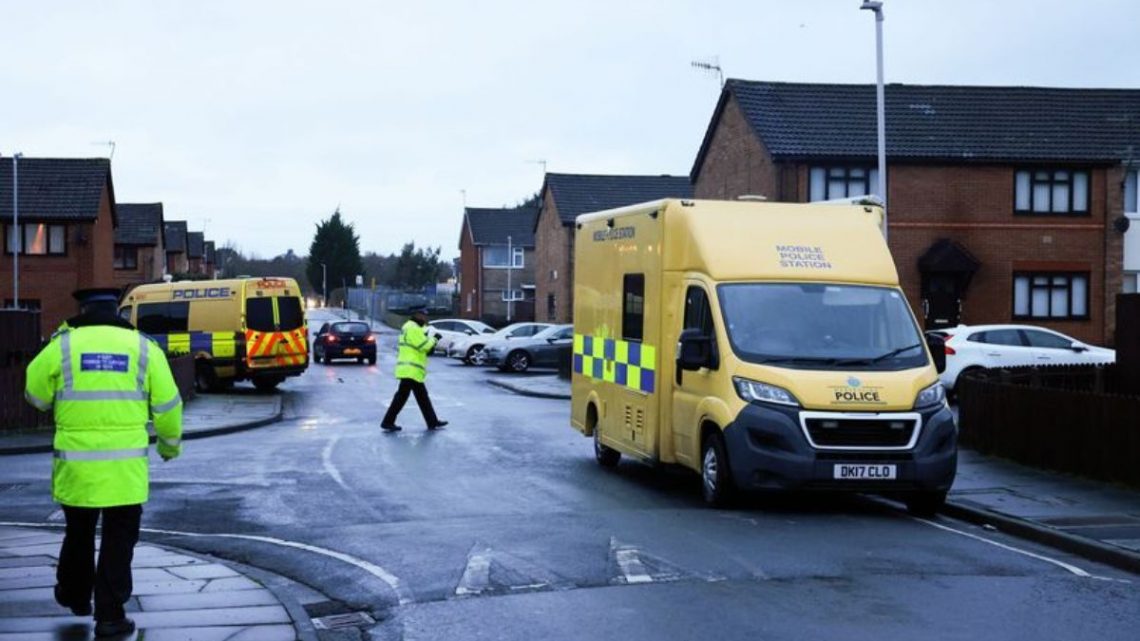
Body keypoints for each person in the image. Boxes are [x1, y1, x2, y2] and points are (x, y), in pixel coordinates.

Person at [24, 287, 183, 638]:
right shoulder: (143, 348)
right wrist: (169, 447)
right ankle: (110, 616)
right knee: (118, 541)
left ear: (82, 311)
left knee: (78, 533)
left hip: (77, 469)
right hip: (125, 473)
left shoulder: (62, 345)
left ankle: (75, 595)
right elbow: (169, 406)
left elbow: (34, 393)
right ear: (117, 313)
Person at [381, 308, 448, 431]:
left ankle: (432, 421)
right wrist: (435, 339)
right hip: (411, 369)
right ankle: (387, 421)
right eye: (423, 316)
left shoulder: (409, 327)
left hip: (409, 370)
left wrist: (426, 335)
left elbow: (419, 342)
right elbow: (424, 347)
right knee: (405, 398)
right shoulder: (413, 328)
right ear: (417, 315)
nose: (425, 319)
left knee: (419, 397)